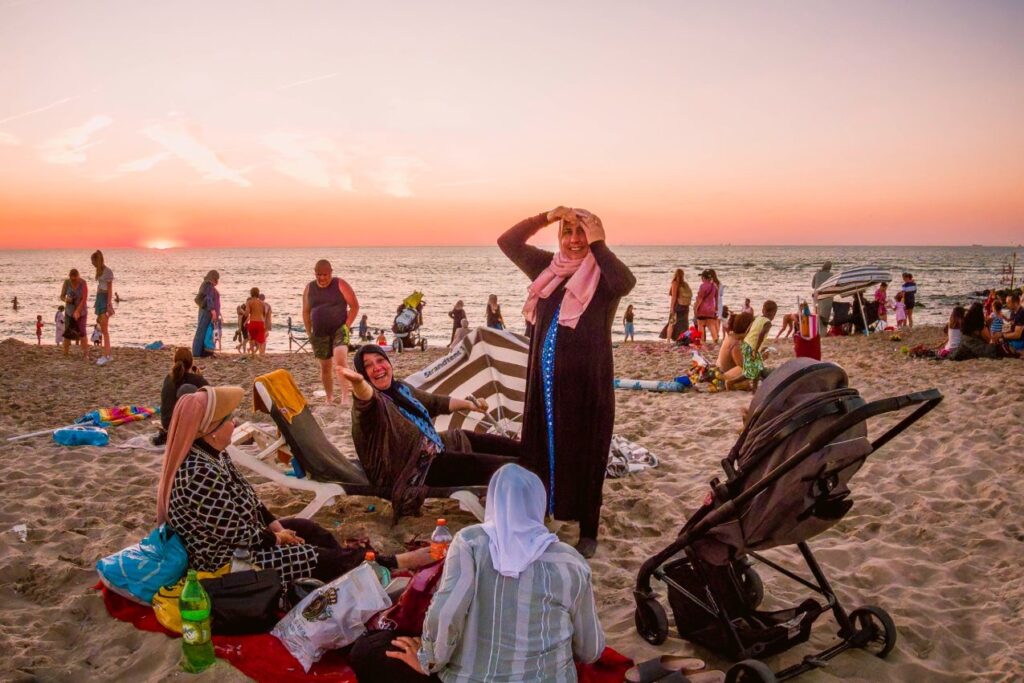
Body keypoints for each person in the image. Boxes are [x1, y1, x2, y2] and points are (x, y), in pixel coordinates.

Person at [349, 464, 605, 683]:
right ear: (539, 504)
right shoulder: (571, 561)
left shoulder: (471, 542)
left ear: (493, 500)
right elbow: (591, 650)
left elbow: (447, 614)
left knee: (368, 650)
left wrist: (427, 658)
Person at [159, 385, 433, 584]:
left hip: (245, 539)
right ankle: (393, 563)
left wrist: (277, 528)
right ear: (211, 431)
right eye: (229, 420)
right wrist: (278, 539)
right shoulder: (197, 474)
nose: (236, 422)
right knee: (307, 554)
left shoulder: (214, 454)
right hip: (226, 561)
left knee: (306, 529)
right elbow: (237, 534)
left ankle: (354, 566)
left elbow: (250, 499)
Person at [498, 206, 636, 558]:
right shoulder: (548, 268)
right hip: (543, 386)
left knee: (587, 450)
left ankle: (588, 528)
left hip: (586, 385)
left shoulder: (603, 276)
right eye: (567, 232)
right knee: (541, 449)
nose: (575, 240)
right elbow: (508, 241)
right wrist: (545, 217)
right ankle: (543, 511)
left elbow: (626, 282)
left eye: (582, 232)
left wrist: (599, 244)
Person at [342, 345, 520, 521]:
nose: (377, 367)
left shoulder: (400, 388)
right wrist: (358, 383)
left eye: (380, 360)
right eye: (368, 365)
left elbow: (435, 402)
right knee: (503, 466)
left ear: (388, 363)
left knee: (496, 444)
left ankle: (527, 453)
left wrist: (469, 405)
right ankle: (527, 473)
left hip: (433, 449)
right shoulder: (372, 407)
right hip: (413, 469)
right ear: (363, 373)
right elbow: (364, 400)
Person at [303, 259, 359, 405]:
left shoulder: (340, 284)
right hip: (319, 333)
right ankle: (329, 397)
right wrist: (309, 332)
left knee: (340, 361)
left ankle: (345, 397)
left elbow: (354, 306)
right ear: (315, 273)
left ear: (331, 273)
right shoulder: (309, 288)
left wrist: (346, 326)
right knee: (325, 368)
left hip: (340, 329)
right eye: (318, 275)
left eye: (325, 275)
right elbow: (306, 311)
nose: (322, 278)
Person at [154, 347, 210, 446]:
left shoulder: (168, 377)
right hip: (179, 426)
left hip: (166, 423)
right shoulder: (196, 380)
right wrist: (200, 378)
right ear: (191, 363)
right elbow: (211, 395)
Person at [725, 300, 776, 390]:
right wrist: (756, 350)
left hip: (747, 344)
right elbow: (761, 335)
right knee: (752, 371)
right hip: (752, 347)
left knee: (757, 368)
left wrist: (743, 339)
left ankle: (754, 389)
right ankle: (731, 382)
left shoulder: (757, 318)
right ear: (774, 313)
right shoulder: (768, 323)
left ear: (763, 310)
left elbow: (749, 330)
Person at [91, 250, 115, 366]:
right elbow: (100, 287)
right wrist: (97, 302)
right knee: (102, 328)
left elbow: (109, 290)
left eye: (93, 262)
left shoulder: (107, 272)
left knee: (105, 330)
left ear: (98, 261)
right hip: (100, 299)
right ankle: (107, 354)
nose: (93, 264)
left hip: (104, 299)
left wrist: (108, 304)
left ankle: (106, 356)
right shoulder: (100, 271)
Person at [61, 268, 89, 359]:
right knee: (67, 333)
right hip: (69, 312)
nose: (73, 281)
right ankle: (65, 353)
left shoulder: (83, 283)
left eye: (75, 279)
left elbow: (84, 299)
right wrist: (67, 299)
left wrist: (77, 311)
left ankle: (85, 354)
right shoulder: (66, 282)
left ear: (78, 276)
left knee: (82, 333)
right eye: (72, 279)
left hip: (81, 312)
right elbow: (62, 296)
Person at [192, 270, 221, 358]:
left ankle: (202, 352)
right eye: (216, 279)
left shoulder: (206, 285)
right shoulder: (208, 285)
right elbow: (209, 298)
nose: (217, 281)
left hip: (206, 310)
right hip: (207, 311)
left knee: (205, 331)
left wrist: (217, 312)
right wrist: (212, 310)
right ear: (213, 278)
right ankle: (197, 353)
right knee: (202, 330)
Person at [694, 271, 719, 344]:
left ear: (704, 278)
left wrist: (696, 308)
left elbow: (700, 298)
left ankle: (702, 341)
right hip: (711, 308)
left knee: (700, 324)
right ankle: (715, 339)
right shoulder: (715, 286)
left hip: (702, 308)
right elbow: (716, 299)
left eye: (702, 277)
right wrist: (716, 308)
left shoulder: (703, 286)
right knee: (711, 325)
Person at [667, 269, 692, 342]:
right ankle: (685, 339)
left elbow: (674, 297)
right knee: (684, 324)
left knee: (671, 323)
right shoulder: (685, 284)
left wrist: (672, 308)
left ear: (675, 275)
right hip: (685, 306)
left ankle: (668, 340)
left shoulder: (675, 283)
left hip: (677, 306)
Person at [812, 261, 833, 336]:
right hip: (828, 297)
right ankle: (823, 333)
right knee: (825, 315)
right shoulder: (831, 275)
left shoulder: (817, 274)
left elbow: (813, 286)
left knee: (817, 314)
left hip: (817, 296)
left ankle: (816, 332)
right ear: (830, 268)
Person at [245, 287, 268, 356]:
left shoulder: (249, 302)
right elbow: (264, 314)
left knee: (251, 338)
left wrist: (243, 313)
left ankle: (253, 354)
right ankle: (261, 353)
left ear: (251, 293)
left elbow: (247, 313)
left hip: (253, 322)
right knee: (261, 340)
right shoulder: (262, 303)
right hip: (261, 322)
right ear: (258, 293)